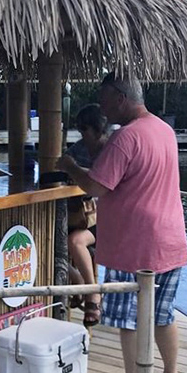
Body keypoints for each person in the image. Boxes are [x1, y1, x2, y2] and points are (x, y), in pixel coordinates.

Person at [57, 74, 187, 373]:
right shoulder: (164, 130)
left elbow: (97, 186)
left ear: (120, 97)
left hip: (135, 247)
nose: (101, 107)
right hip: (170, 240)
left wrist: (71, 167)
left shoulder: (125, 138)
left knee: (128, 319)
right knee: (163, 314)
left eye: (103, 99)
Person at [64, 104, 108, 326]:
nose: (82, 134)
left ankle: (92, 294)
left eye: (85, 129)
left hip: (107, 217)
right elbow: (62, 165)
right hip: (82, 215)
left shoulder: (112, 149)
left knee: (75, 241)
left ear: (98, 129)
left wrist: (75, 171)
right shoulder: (79, 148)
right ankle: (77, 279)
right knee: (54, 242)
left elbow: (98, 183)